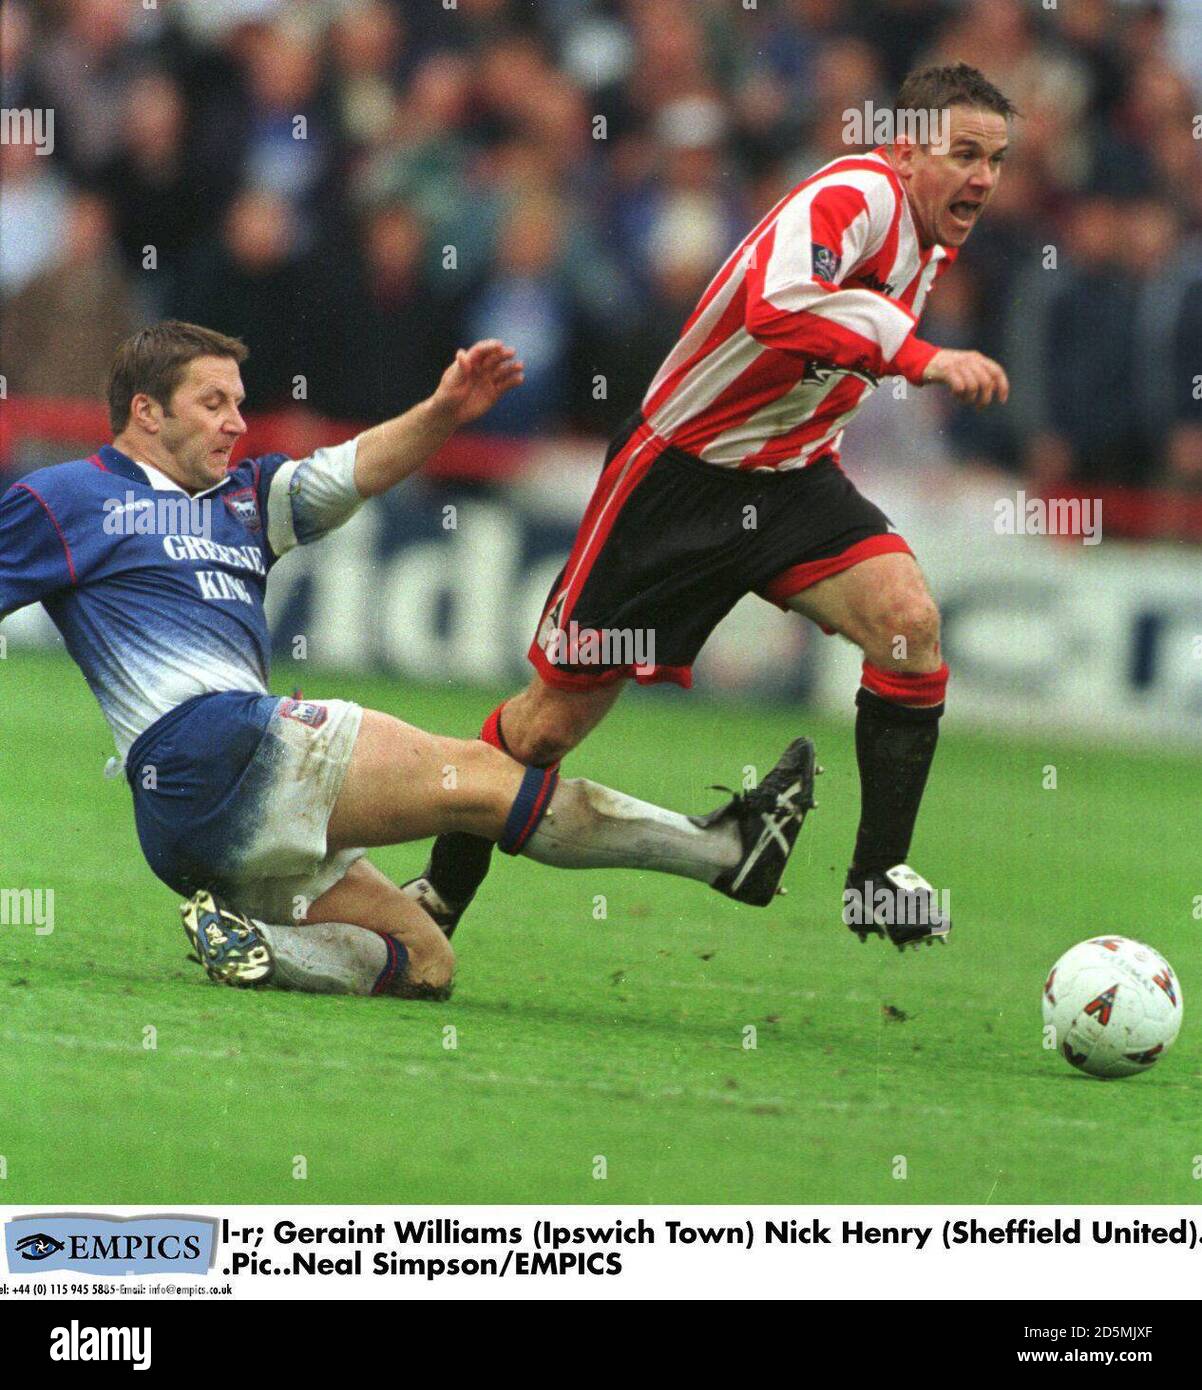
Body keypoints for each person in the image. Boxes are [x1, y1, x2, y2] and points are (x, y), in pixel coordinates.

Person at [0, 321, 817, 999]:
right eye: (212, 403)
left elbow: (353, 471)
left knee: (427, 964)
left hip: (189, 834)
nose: (235, 423)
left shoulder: (244, 499)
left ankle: (255, 946)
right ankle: (723, 852)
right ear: (145, 412)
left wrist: (444, 409)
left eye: (239, 405)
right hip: (214, 743)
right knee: (488, 783)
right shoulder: (70, 496)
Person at [411, 63, 1016, 952]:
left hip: (793, 481)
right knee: (546, 726)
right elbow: (778, 305)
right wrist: (915, 354)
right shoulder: (858, 194)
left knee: (908, 625)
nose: (983, 179)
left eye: (996, 160)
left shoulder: (934, 240)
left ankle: (877, 878)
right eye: (964, 153)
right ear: (903, 147)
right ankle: (437, 896)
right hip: (679, 480)